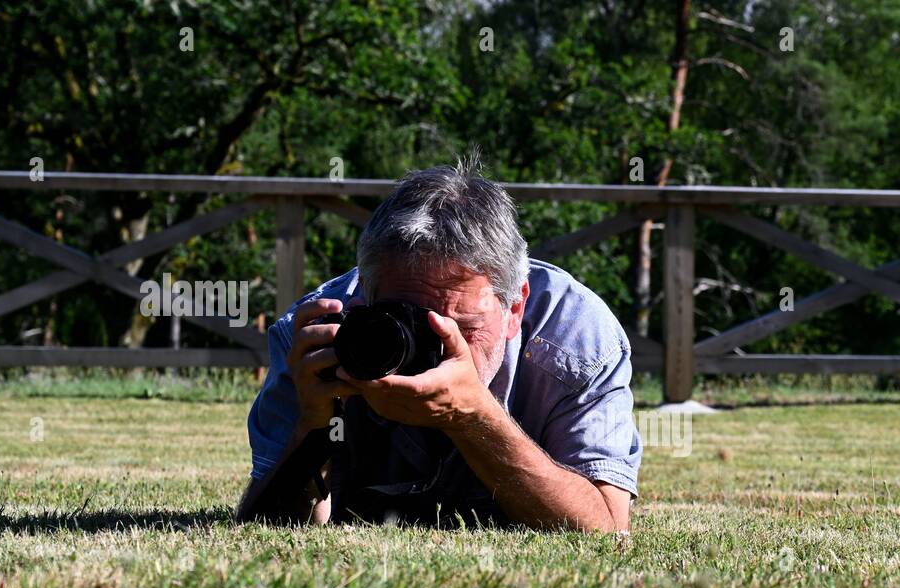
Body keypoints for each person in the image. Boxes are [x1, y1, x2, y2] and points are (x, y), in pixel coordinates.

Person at [236, 160, 641, 531]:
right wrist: (316, 429)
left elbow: (605, 527)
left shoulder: (576, 339)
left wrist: (474, 417)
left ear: (515, 306)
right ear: (365, 300)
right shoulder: (319, 333)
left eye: (463, 329)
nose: (440, 351)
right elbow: (267, 529)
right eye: (408, 324)